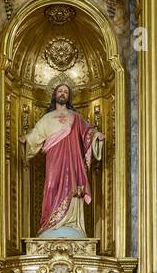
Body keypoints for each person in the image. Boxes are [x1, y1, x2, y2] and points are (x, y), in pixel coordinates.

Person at [20, 83, 104, 238]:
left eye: (66, 91)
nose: (63, 93)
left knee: (72, 187)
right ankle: (50, 225)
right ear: (55, 95)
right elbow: (36, 135)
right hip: (54, 160)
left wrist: (96, 136)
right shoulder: (46, 118)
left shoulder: (76, 117)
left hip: (72, 162)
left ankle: (71, 223)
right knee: (51, 186)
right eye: (60, 91)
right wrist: (26, 139)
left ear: (68, 96)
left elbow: (88, 132)